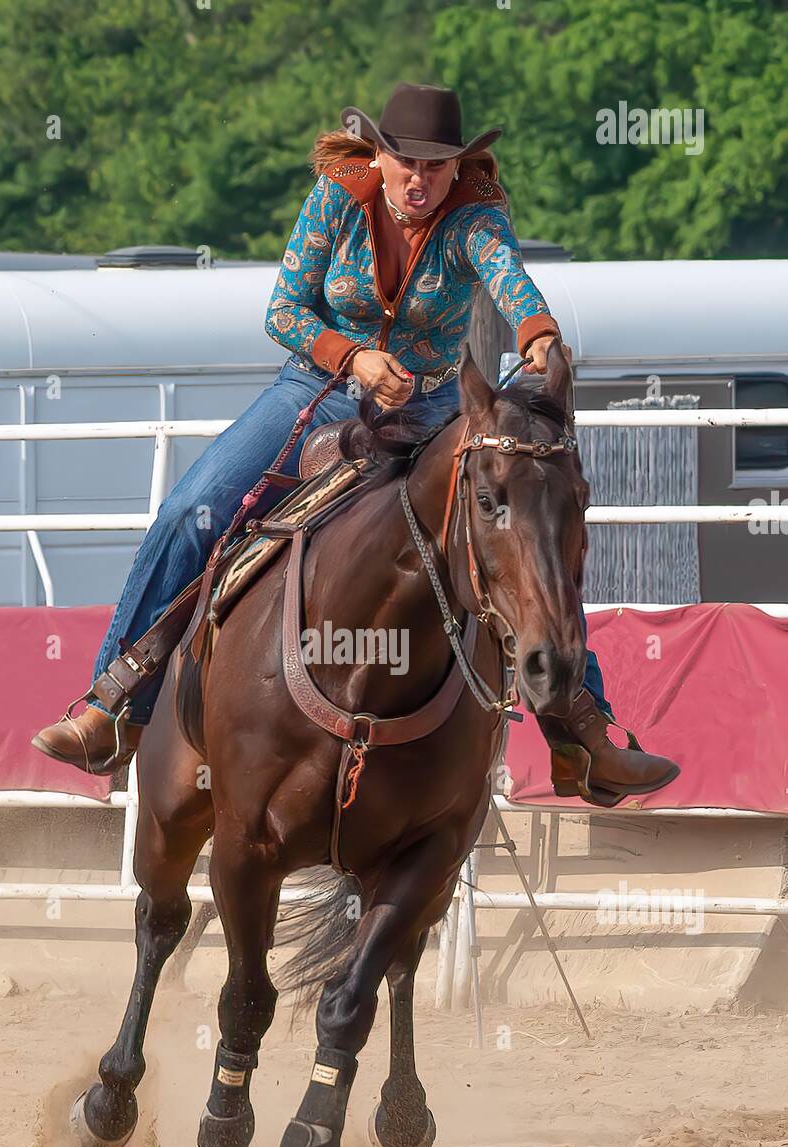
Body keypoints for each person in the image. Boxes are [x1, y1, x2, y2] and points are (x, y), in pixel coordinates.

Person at [33, 82, 678, 804]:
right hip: (315, 388)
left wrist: (540, 337)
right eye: (408, 162)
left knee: (526, 521)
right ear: (380, 154)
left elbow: (511, 283)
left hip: (434, 400)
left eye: (438, 165)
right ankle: (115, 704)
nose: (421, 179)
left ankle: (583, 735)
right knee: (193, 509)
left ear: (458, 166)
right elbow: (283, 308)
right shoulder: (338, 196)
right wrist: (353, 357)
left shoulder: (476, 216)